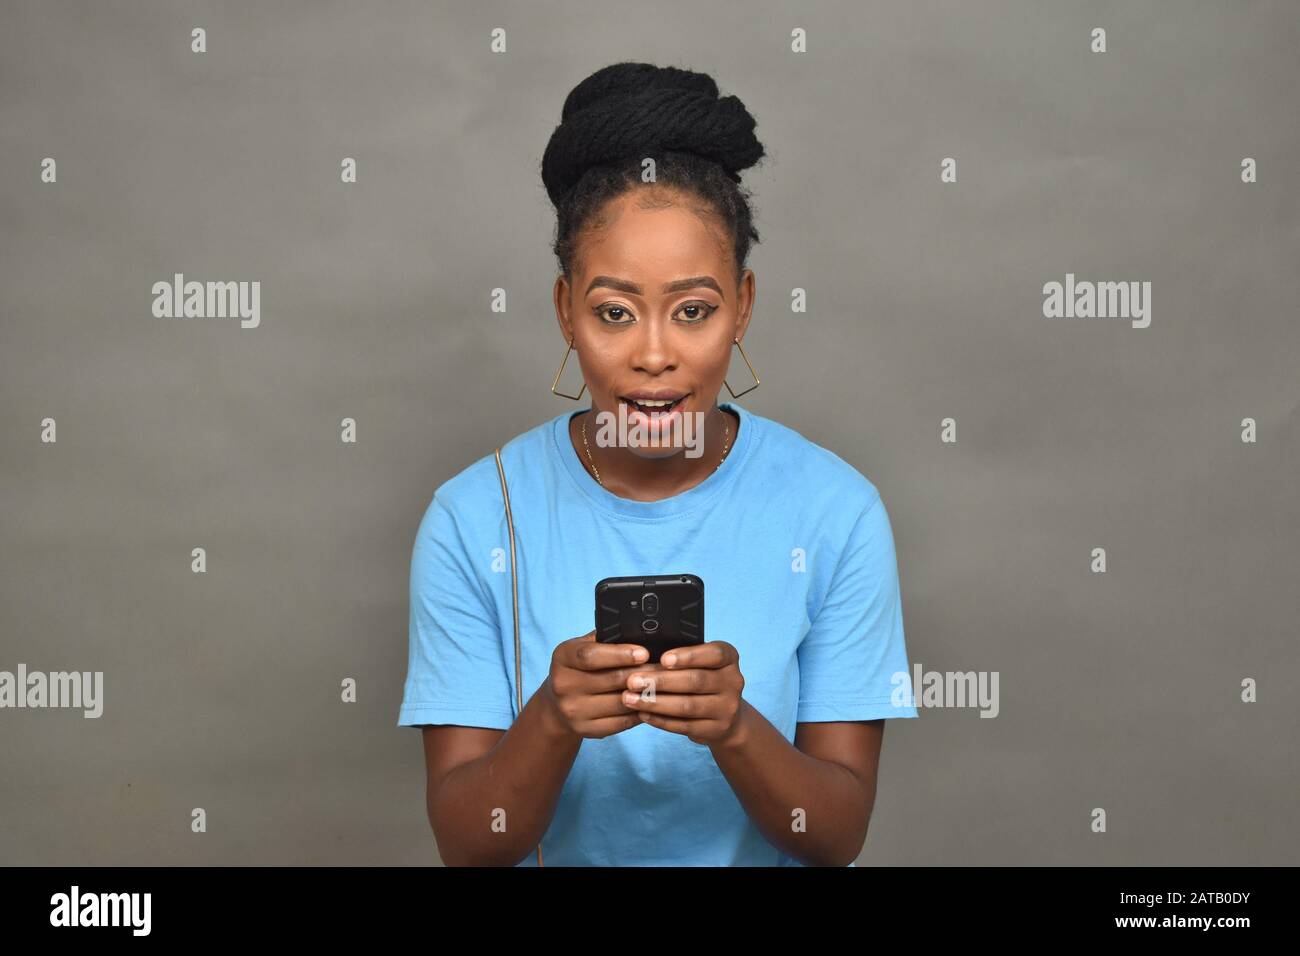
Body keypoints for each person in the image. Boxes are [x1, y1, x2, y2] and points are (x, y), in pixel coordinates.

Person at [398, 61, 918, 866]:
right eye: (613, 312)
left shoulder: (835, 511)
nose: (653, 354)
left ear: (742, 306)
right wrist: (551, 719)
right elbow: (470, 845)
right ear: (566, 310)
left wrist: (736, 731)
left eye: (693, 312)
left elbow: (838, 834)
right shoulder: (474, 518)